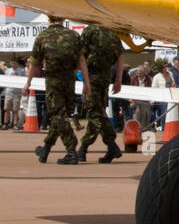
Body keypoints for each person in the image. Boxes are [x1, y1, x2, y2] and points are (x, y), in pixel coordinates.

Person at [24, 18, 85, 164]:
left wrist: (28, 83)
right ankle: (45, 150)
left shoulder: (43, 37)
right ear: (63, 19)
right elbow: (82, 61)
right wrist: (86, 83)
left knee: (58, 116)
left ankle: (71, 151)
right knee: (61, 117)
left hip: (53, 82)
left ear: (48, 18)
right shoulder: (74, 36)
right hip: (70, 82)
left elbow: (34, 63)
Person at [77, 23, 124, 163]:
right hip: (106, 78)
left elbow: (81, 56)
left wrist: (85, 81)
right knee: (98, 113)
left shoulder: (89, 31)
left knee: (95, 114)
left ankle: (90, 147)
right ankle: (108, 147)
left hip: (92, 77)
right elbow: (121, 56)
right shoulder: (113, 33)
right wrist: (118, 79)